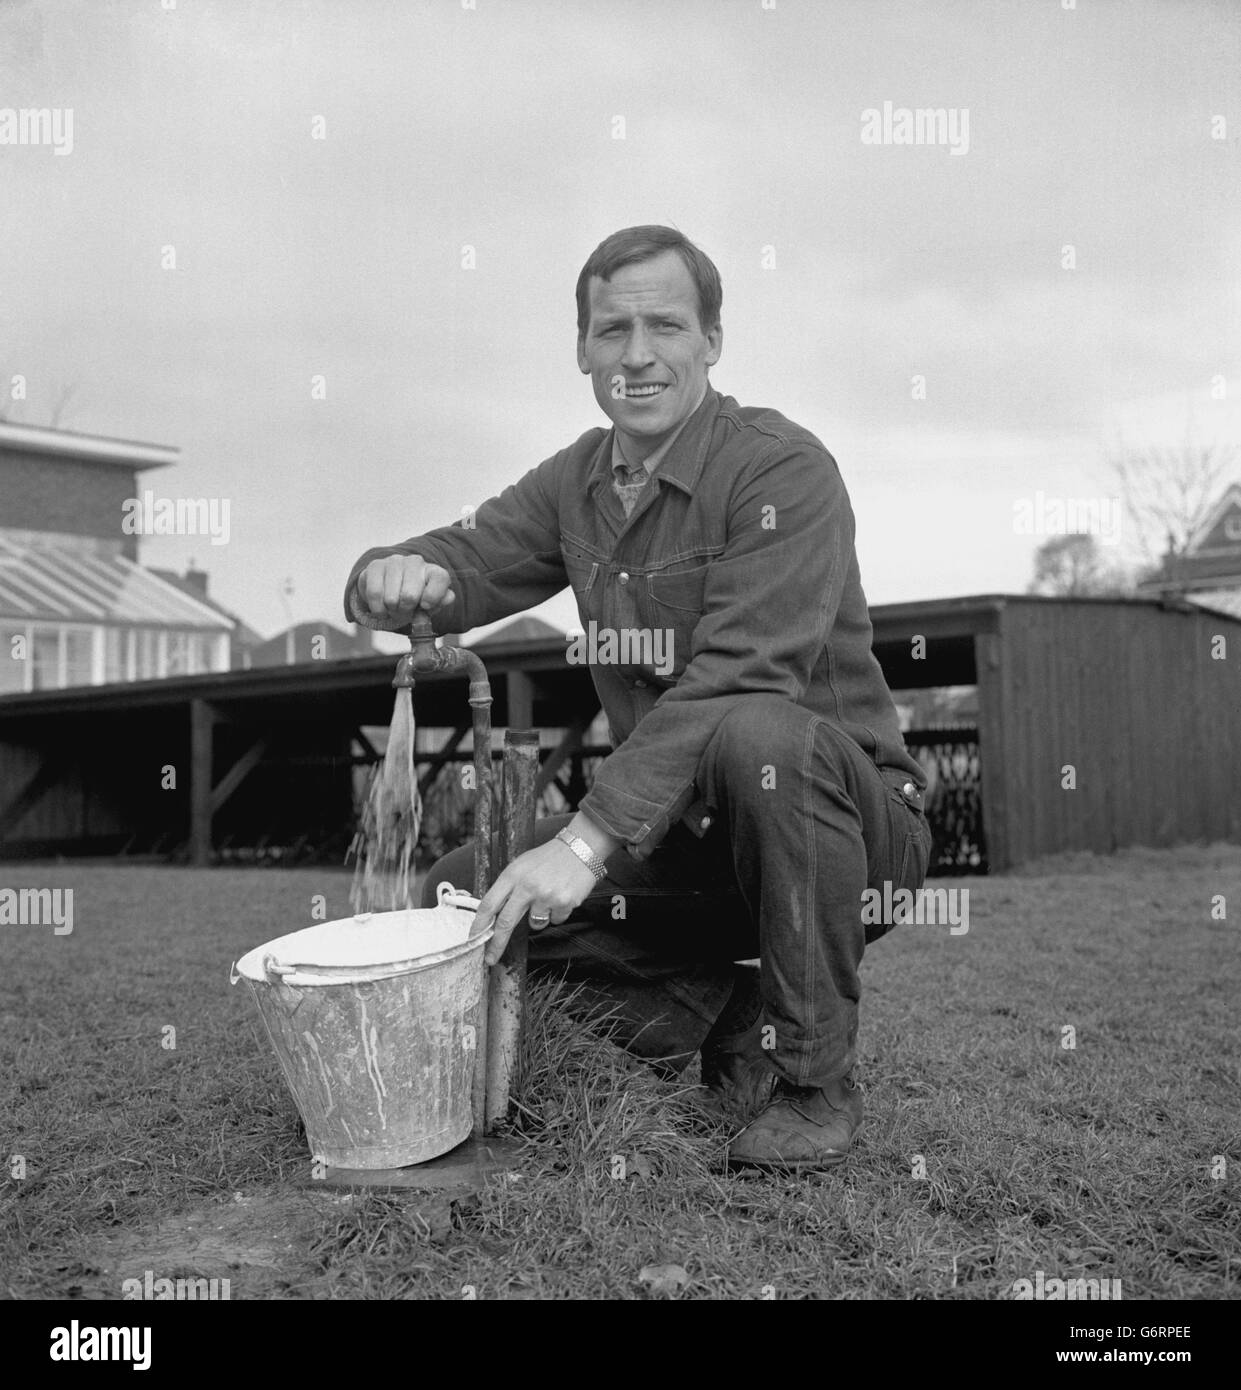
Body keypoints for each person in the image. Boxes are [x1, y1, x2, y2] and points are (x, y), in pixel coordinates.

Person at [344, 225, 932, 1172]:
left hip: (846, 829)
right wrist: (390, 576)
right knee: (459, 894)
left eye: (665, 324)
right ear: (581, 349)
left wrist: (583, 843)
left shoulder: (783, 471)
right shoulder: (576, 481)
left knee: (755, 736)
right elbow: (470, 556)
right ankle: (718, 1019)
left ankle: (813, 1080)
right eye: (612, 330)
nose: (638, 353)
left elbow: (741, 675)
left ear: (712, 340)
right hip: (680, 836)